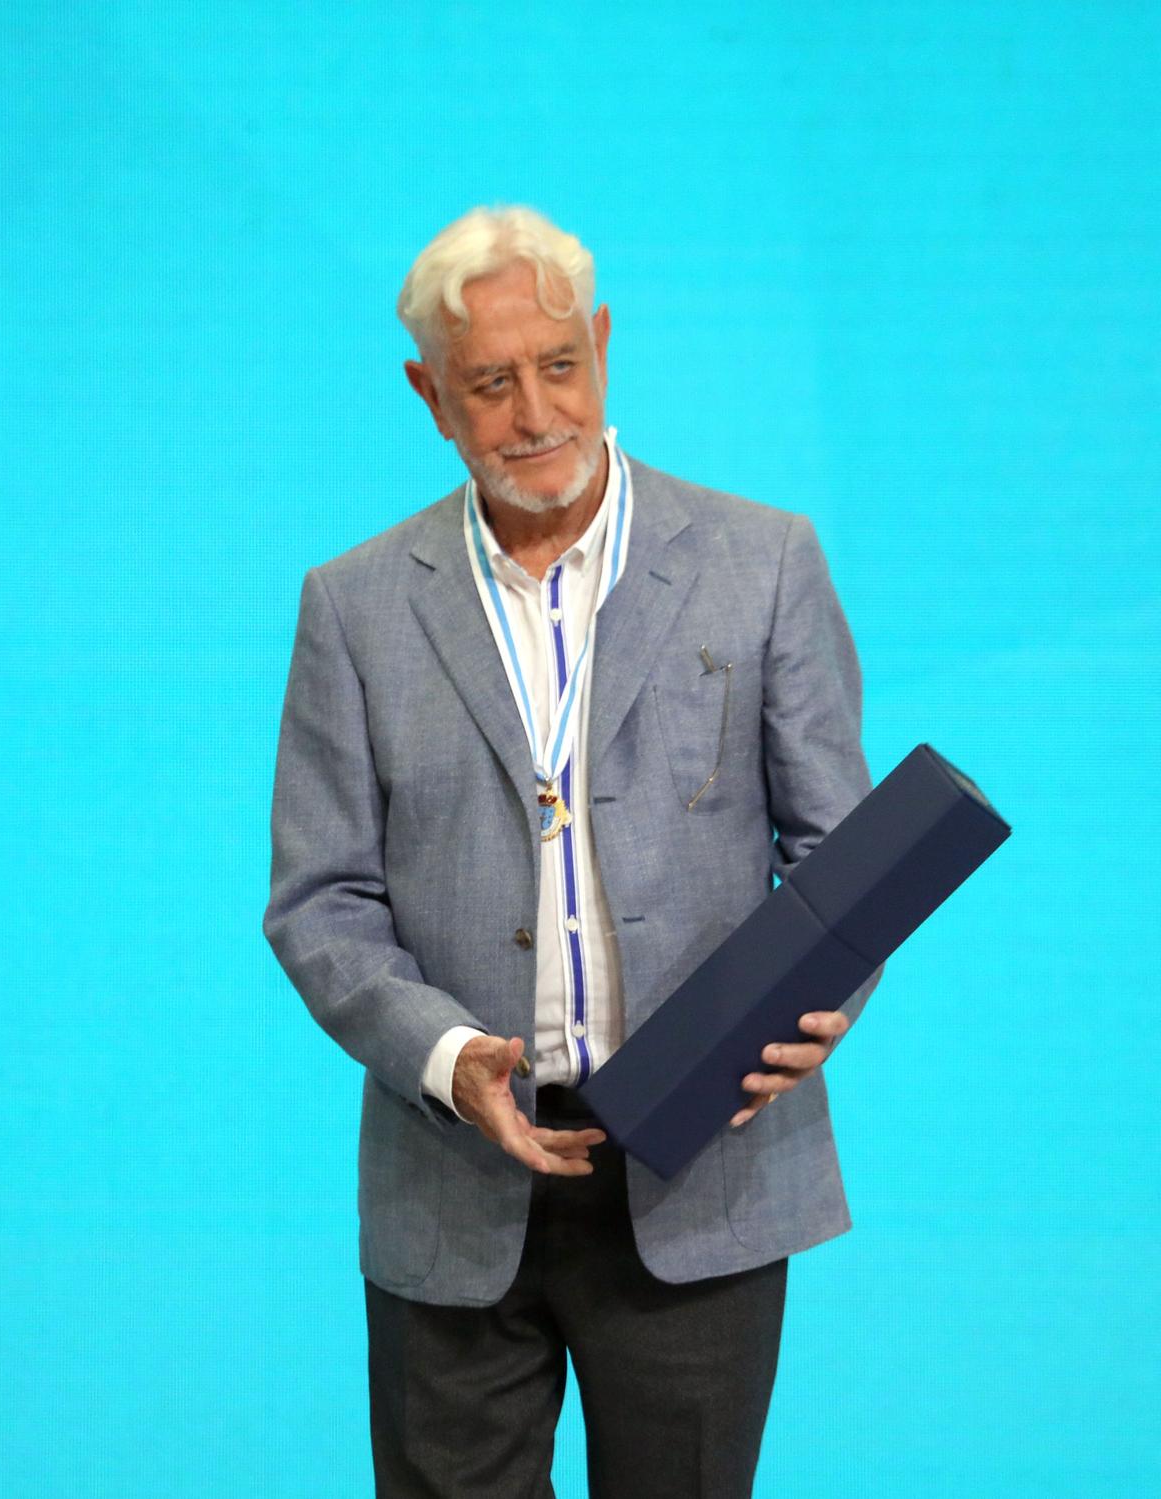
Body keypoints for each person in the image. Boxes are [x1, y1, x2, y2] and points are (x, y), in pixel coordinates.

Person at [264, 206, 875, 1498]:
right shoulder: (354, 605)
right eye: (490, 383)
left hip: (704, 1174)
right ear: (430, 394)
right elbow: (320, 901)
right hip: (456, 1176)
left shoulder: (763, 564)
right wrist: (450, 1056)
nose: (535, 411)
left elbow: (839, 856)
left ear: (601, 346)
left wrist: (820, 1004)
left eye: (560, 365)